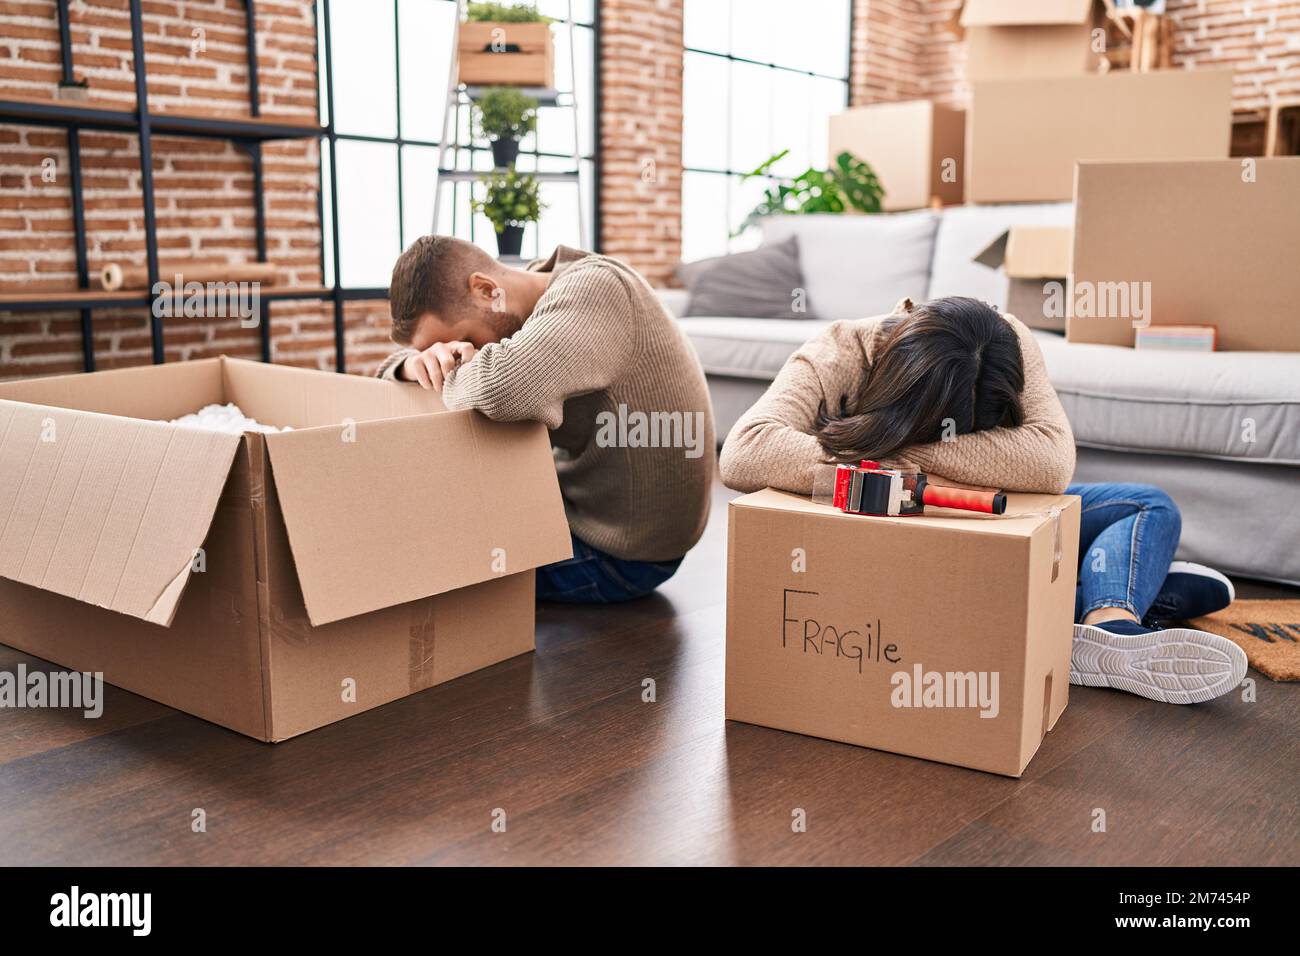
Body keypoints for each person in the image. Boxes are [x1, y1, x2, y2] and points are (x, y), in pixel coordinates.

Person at [719, 295, 1245, 705]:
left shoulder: (1006, 338)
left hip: (983, 508)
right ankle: (1098, 596)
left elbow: (1052, 463)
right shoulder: (838, 349)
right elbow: (743, 453)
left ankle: (1108, 625)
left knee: (1148, 505)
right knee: (1144, 545)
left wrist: (891, 451)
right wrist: (938, 462)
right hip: (897, 530)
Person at [378, 235, 715, 603]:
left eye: (463, 342)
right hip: (588, 508)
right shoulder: (528, 297)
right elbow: (383, 381)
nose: (457, 358)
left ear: (486, 290)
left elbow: (501, 389)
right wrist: (413, 364)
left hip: (625, 551)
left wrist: (450, 372)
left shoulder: (594, 290)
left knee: (423, 557)